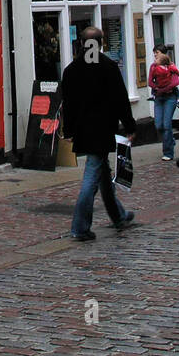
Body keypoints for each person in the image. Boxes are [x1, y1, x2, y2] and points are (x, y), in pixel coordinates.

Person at [60, 25, 136, 242]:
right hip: (102, 130)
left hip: (84, 130)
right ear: (101, 43)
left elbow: (69, 104)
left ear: (81, 43)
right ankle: (80, 227)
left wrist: (69, 130)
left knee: (102, 173)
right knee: (92, 176)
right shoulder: (108, 67)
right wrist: (130, 126)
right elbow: (121, 100)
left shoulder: (71, 70)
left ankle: (118, 216)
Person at [148, 48, 179, 161]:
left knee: (167, 125)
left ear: (163, 54)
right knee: (159, 125)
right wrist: (156, 88)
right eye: (154, 54)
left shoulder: (171, 66)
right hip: (158, 97)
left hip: (170, 97)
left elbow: (175, 82)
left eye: (157, 53)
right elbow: (150, 81)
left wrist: (162, 89)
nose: (155, 56)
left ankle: (168, 152)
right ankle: (170, 140)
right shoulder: (153, 67)